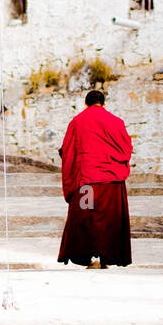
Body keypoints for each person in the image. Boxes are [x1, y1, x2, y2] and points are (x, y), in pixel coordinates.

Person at [57, 90, 133, 269]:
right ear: (104, 104)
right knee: (111, 219)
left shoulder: (76, 122)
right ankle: (108, 259)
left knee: (85, 216)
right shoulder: (116, 121)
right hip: (111, 182)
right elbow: (126, 149)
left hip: (86, 183)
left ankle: (86, 258)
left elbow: (67, 151)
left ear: (85, 104)